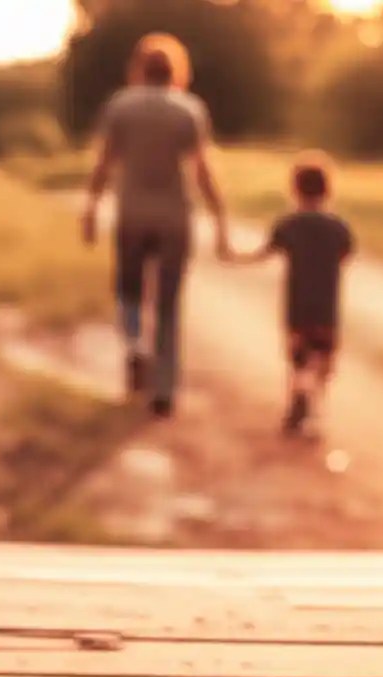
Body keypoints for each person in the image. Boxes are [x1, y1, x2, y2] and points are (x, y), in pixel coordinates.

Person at [82, 33, 229, 418]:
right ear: (176, 72)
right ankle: (163, 390)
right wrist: (219, 216)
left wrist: (91, 207)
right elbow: (202, 171)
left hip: (132, 214)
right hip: (174, 217)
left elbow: (105, 163)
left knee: (128, 291)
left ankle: (134, 346)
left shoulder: (120, 107)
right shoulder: (189, 111)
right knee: (167, 303)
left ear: (139, 69)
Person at [222, 151, 354, 437]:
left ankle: (300, 394)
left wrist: (233, 255)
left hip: (297, 306)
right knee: (324, 360)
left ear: (294, 189)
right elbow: (346, 256)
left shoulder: (288, 224)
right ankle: (314, 409)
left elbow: (263, 254)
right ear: (328, 189)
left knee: (298, 358)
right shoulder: (339, 227)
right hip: (327, 307)